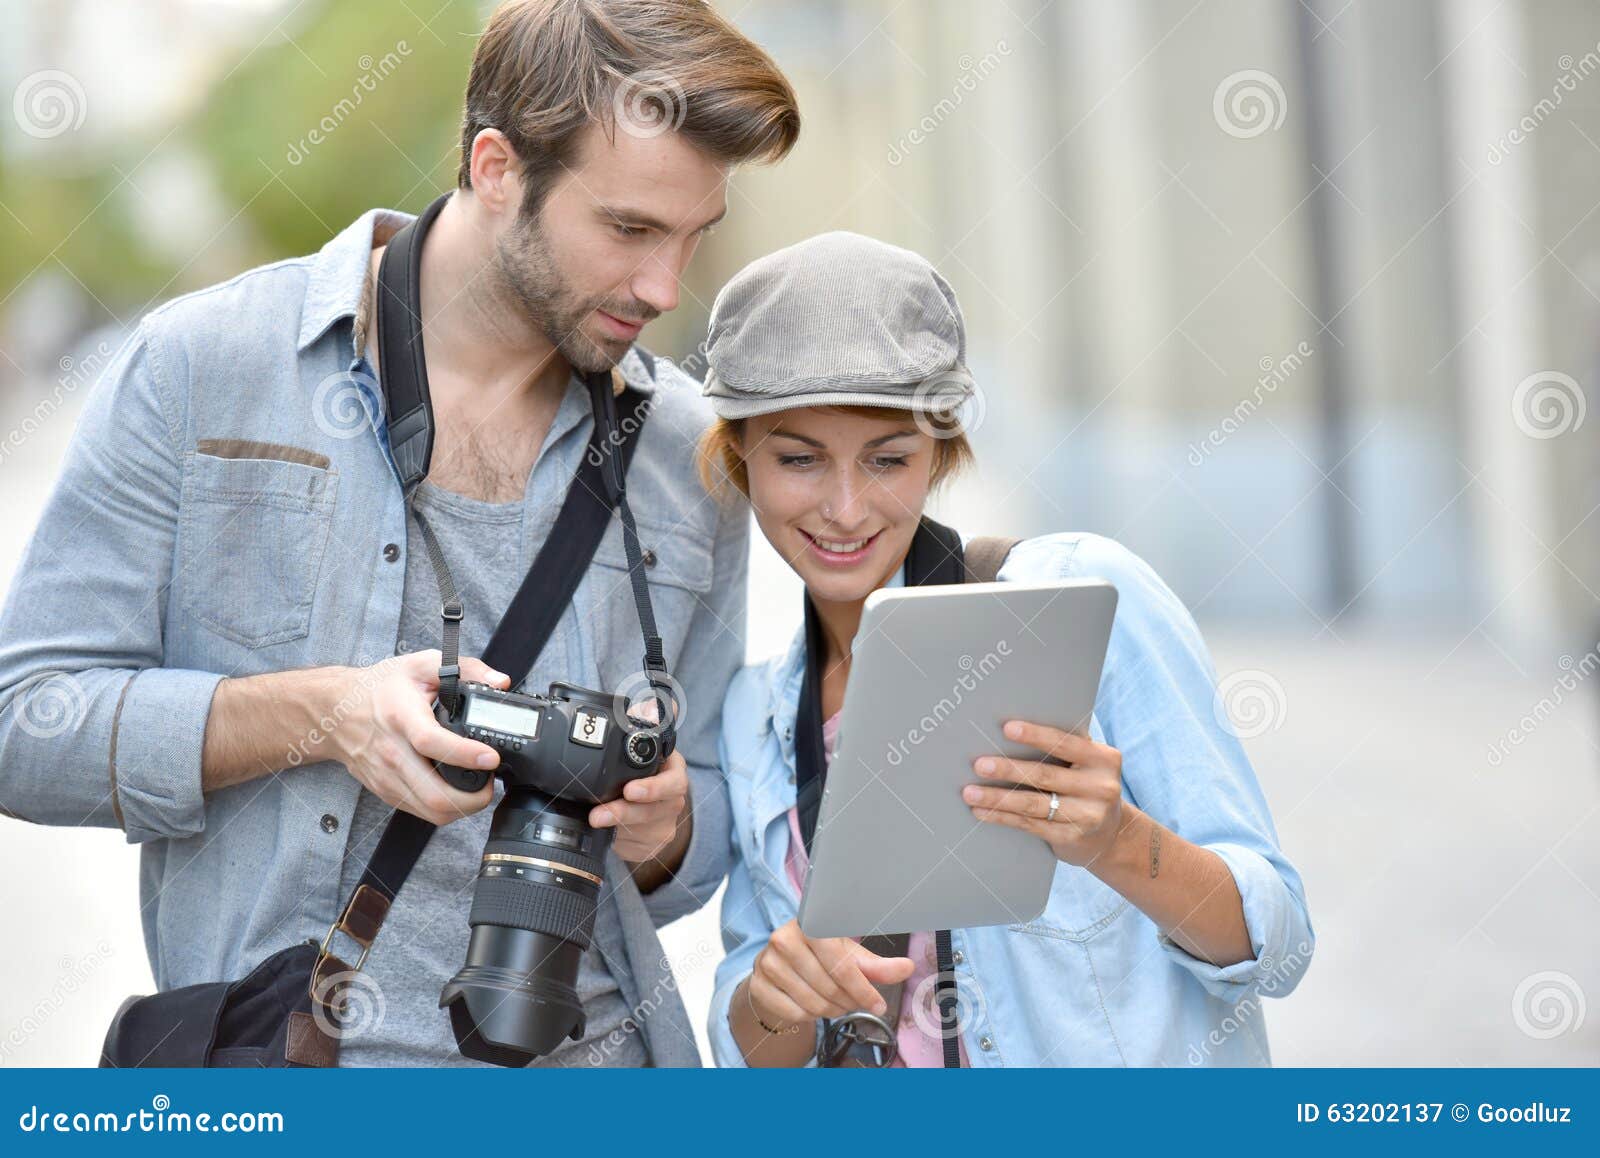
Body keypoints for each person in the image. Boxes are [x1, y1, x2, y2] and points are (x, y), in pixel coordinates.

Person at [0, 0, 799, 1067]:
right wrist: (324, 716)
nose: (664, 287)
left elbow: (700, 830)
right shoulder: (204, 368)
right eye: (629, 230)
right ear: (497, 168)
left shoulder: (690, 452)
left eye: (693, 236)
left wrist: (671, 830)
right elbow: (25, 723)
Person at [698, 232, 1315, 1067]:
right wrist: (773, 998)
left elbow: (1278, 945)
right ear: (739, 453)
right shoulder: (753, 717)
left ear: (940, 452)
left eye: (888, 459)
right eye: (799, 459)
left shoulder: (1078, 599)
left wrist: (1117, 842)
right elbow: (749, 1050)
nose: (845, 508)